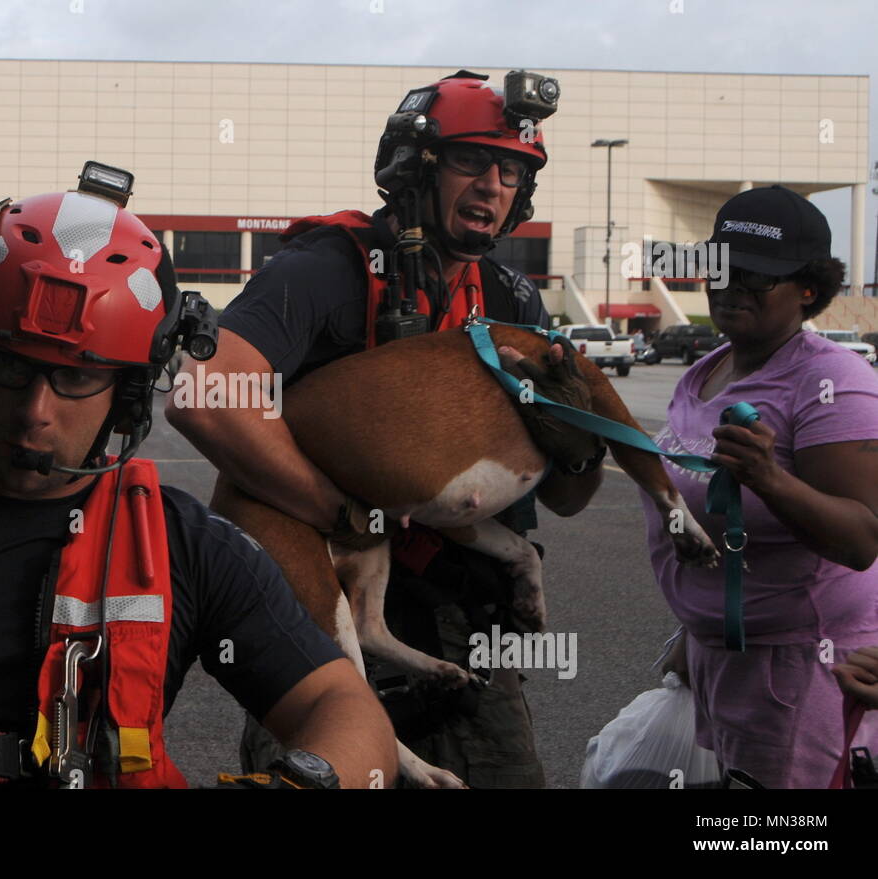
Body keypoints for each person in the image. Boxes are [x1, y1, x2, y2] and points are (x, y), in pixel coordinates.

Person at [0, 167, 398, 789]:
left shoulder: (183, 545)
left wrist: (302, 779)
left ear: (128, 395)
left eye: (76, 378)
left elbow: (346, 709)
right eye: (11, 367)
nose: (35, 412)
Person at [166, 71, 604, 788]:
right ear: (416, 168)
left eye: (513, 169)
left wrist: (581, 446)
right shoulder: (329, 268)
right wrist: (334, 509)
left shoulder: (514, 299)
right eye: (471, 161)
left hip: (465, 614)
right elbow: (205, 391)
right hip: (321, 614)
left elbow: (566, 500)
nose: (494, 184)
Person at [650, 185, 878, 788]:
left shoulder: (831, 380)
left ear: (809, 289)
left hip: (803, 669)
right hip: (727, 660)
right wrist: (692, 631)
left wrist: (769, 479)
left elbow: (861, 540)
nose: (730, 288)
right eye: (722, 269)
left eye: (756, 277)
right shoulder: (710, 367)